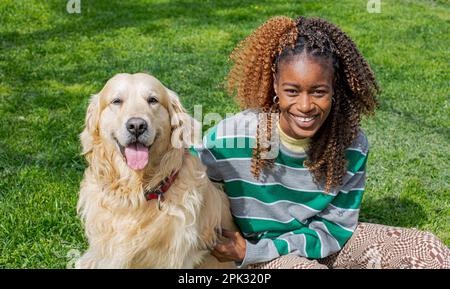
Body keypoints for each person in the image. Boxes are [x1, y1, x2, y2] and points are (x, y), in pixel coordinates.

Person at [191, 16, 449, 269]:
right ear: (275, 85)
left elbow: (336, 228)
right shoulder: (232, 137)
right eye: (292, 91)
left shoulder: (350, 145)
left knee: (427, 249)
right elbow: (181, 173)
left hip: (325, 245)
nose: (305, 106)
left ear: (334, 88)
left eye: (318, 92)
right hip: (260, 255)